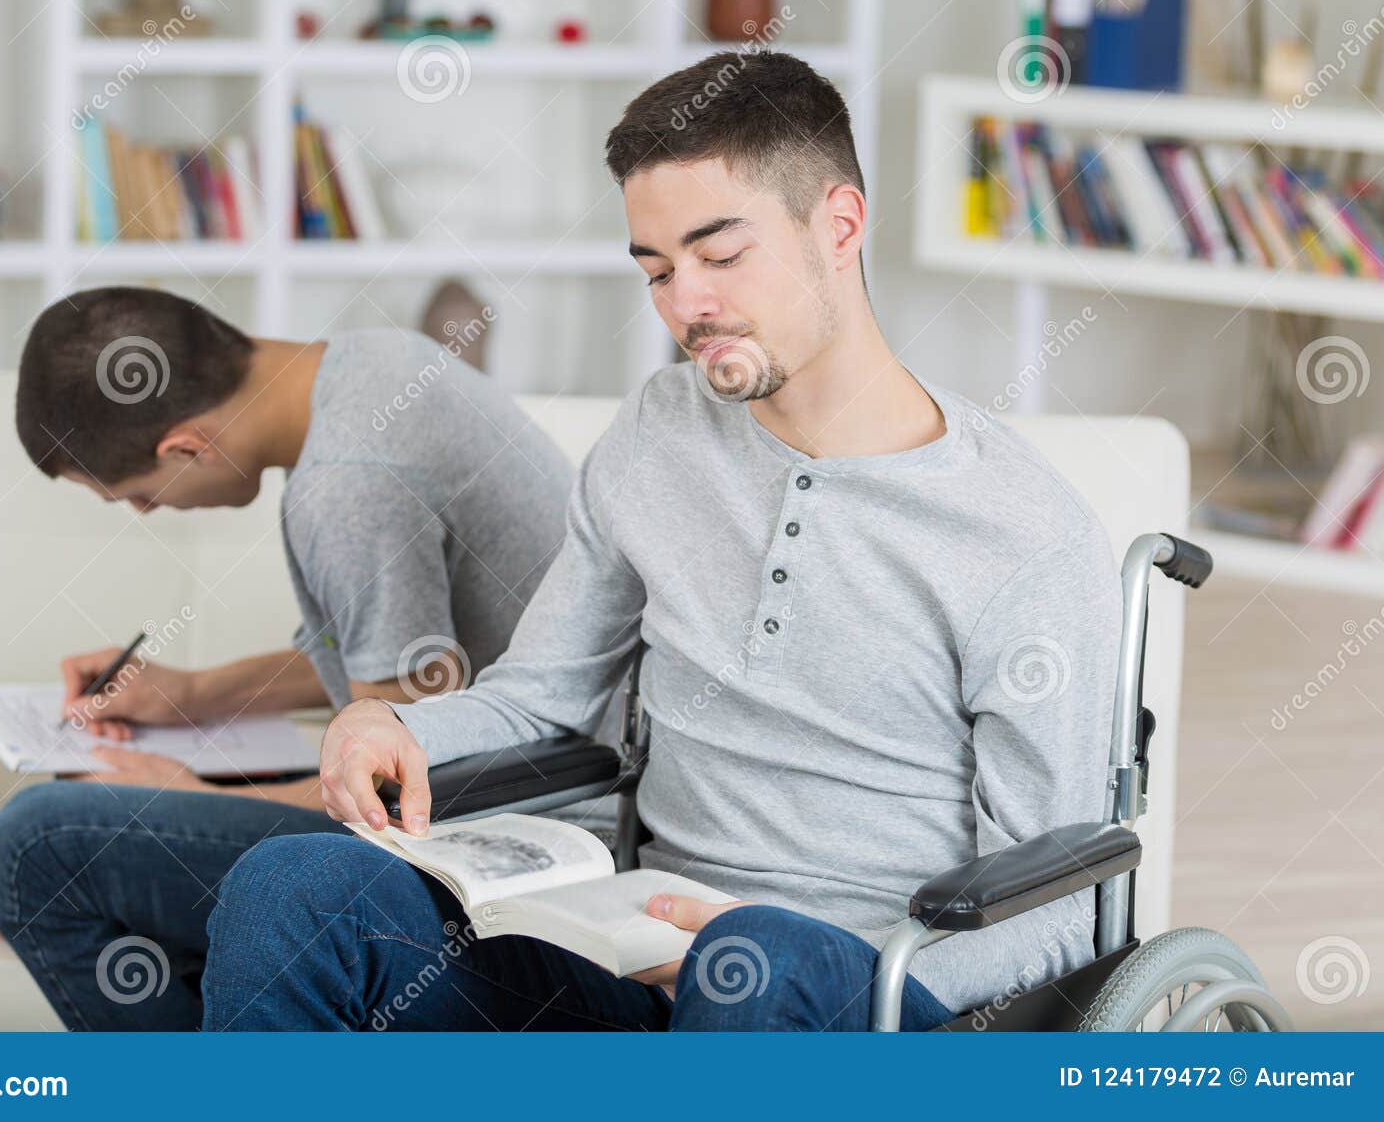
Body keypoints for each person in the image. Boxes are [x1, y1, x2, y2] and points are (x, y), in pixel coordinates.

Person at [198, 51, 1124, 1032]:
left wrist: (796, 952)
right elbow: (542, 692)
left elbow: (1058, 915)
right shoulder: (655, 433)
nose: (686, 305)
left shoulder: (1022, 533)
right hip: (635, 965)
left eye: (720, 256)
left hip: (860, 1000)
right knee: (294, 882)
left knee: (754, 958)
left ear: (840, 225)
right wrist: (387, 726)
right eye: (657, 269)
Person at [0, 287, 575, 1029]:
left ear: (187, 446)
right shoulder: (375, 361)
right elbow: (400, 661)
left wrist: (196, 793)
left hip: (518, 836)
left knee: (36, 844)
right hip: (528, 783)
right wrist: (193, 693)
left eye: (136, 495)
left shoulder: (344, 486)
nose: (146, 513)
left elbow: (393, 790)